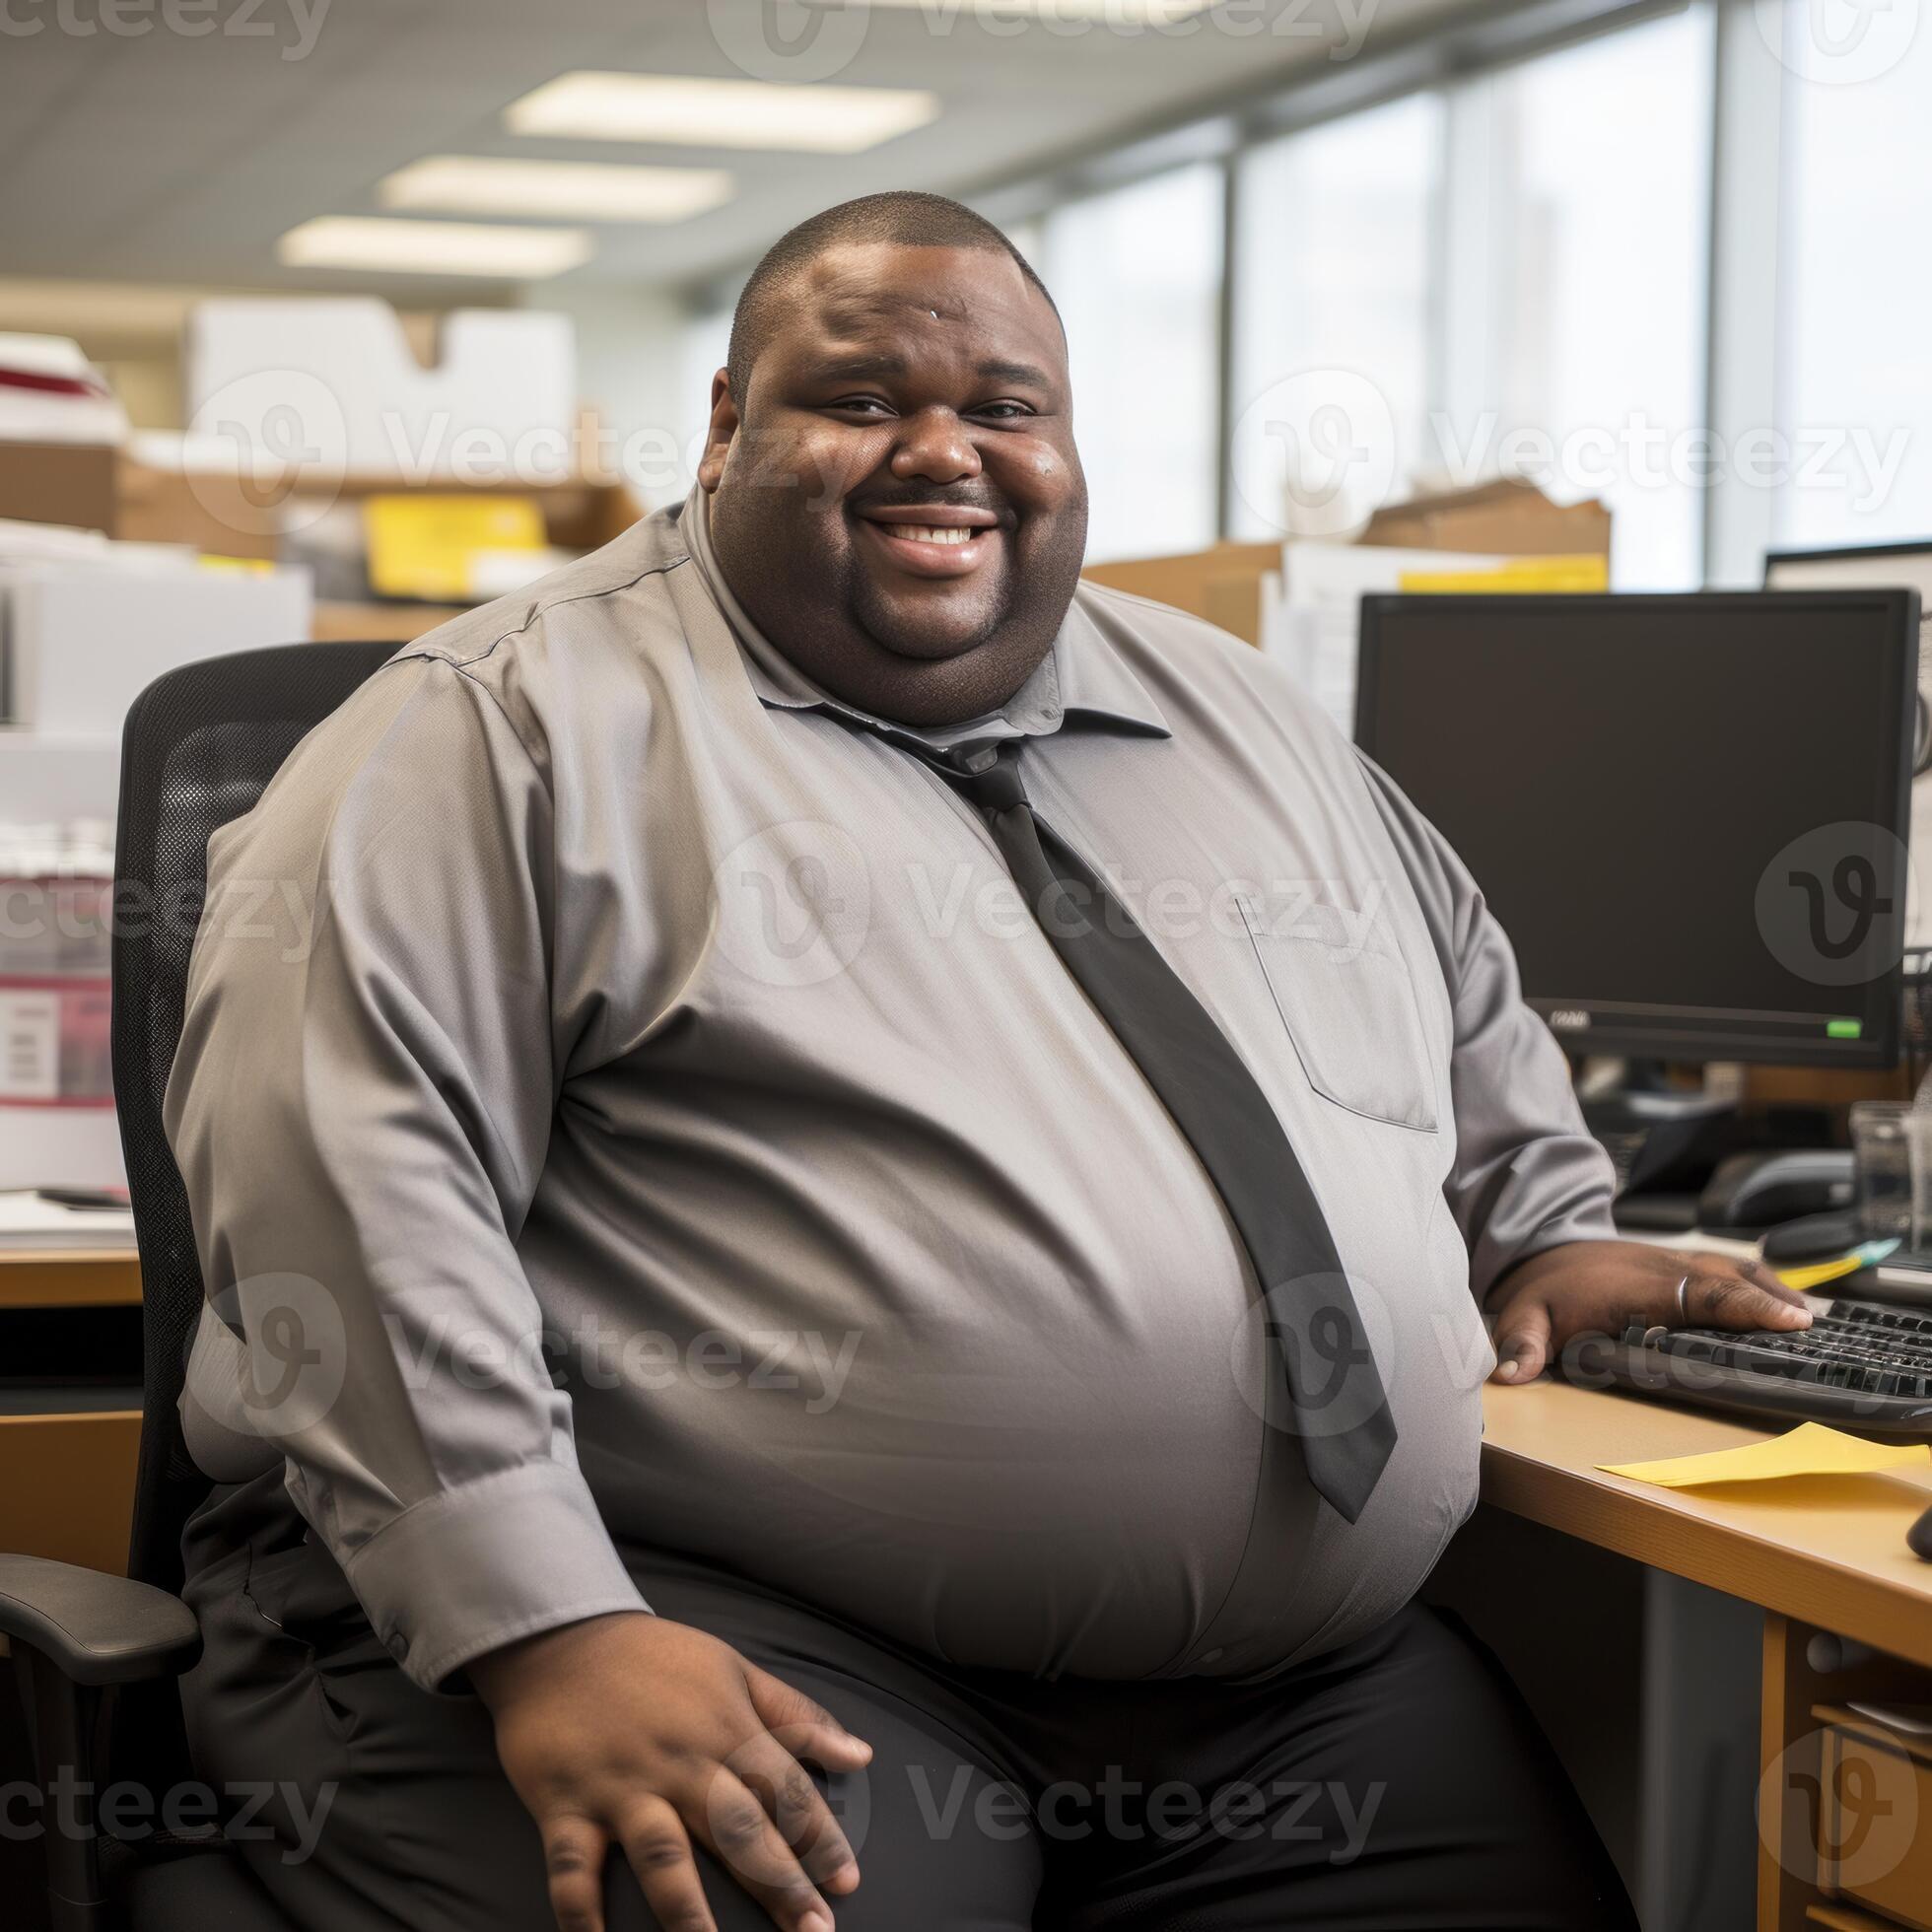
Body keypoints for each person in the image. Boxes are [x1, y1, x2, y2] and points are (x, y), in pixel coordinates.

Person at [167, 192, 1809, 1932]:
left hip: (1277, 1704)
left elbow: (1452, 997)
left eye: (1006, 408)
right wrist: (544, 1623)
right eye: (861, 400)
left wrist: (1544, 1223)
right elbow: (333, 1200)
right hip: (708, 1622)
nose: (943, 453)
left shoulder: (1241, 719)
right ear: (727, 424)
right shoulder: (494, 733)